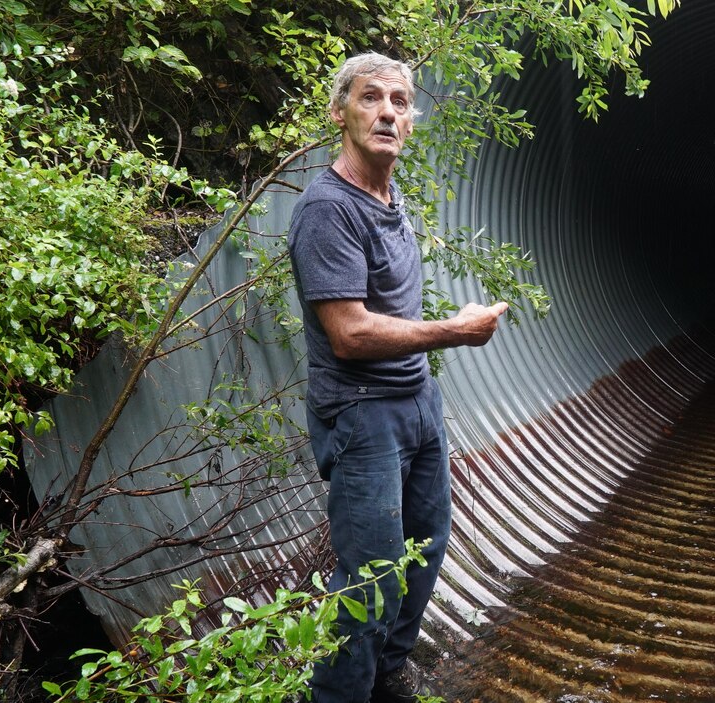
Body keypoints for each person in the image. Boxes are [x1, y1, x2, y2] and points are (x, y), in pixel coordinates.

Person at [288, 52, 508, 703]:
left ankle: (389, 674)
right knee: (371, 577)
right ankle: (337, 694)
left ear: (411, 120)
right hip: (360, 415)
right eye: (370, 98)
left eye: (399, 101)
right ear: (340, 112)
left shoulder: (388, 193)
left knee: (425, 550)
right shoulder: (327, 210)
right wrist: (454, 330)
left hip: (416, 403)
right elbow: (350, 333)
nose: (387, 111)